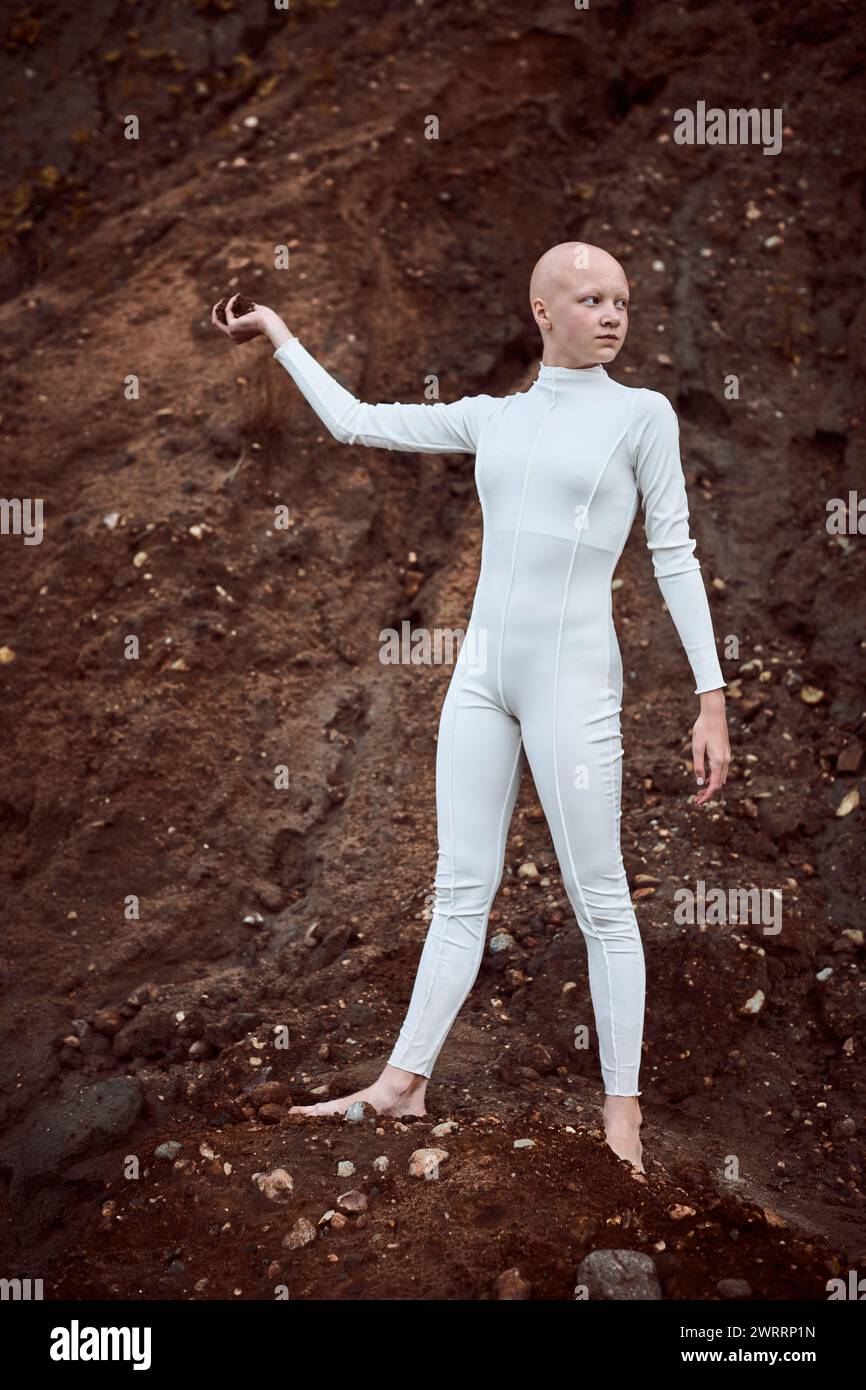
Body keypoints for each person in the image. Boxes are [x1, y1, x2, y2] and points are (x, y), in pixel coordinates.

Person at [211, 242, 731, 1170]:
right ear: (542, 310)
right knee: (460, 890)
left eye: (621, 300)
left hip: (574, 679)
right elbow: (357, 423)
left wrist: (711, 696)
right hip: (482, 679)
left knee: (601, 898)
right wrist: (282, 337)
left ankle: (623, 1115)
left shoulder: (642, 417)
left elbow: (676, 553)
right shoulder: (492, 419)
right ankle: (403, 1084)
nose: (612, 315)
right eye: (590, 299)